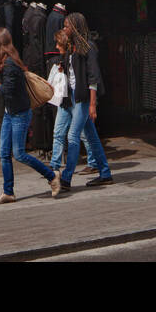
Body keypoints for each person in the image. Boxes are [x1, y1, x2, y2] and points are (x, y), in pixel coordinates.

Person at [0, 28, 60, 205]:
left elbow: (9, 90)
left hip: (20, 114)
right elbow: (8, 88)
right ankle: (8, 192)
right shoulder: (3, 61)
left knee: (19, 154)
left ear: (0, 45)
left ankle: (52, 176)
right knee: (4, 153)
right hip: (10, 113)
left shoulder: (10, 64)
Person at [54, 13, 114, 190]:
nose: (64, 29)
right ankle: (105, 173)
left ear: (75, 27)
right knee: (91, 136)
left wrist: (93, 105)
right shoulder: (71, 47)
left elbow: (93, 78)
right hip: (70, 97)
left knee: (73, 136)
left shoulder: (88, 48)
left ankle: (66, 179)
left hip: (82, 99)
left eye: (67, 26)